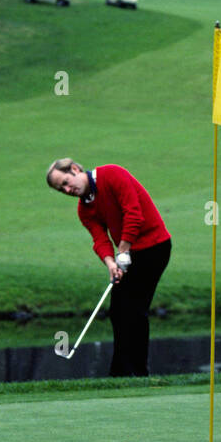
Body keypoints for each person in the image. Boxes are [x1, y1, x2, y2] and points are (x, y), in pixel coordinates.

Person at [46, 159, 172, 377]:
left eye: (66, 182)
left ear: (75, 169)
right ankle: (124, 372)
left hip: (154, 246)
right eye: (62, 189)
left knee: (134, 309)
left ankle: (134, 372)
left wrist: (122, 250)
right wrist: (110, 262)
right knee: (119, 311)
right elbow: (100, 240)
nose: (68, 190)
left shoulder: (112, 174)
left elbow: (134, 213)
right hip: (129, 254)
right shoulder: (84, 209)